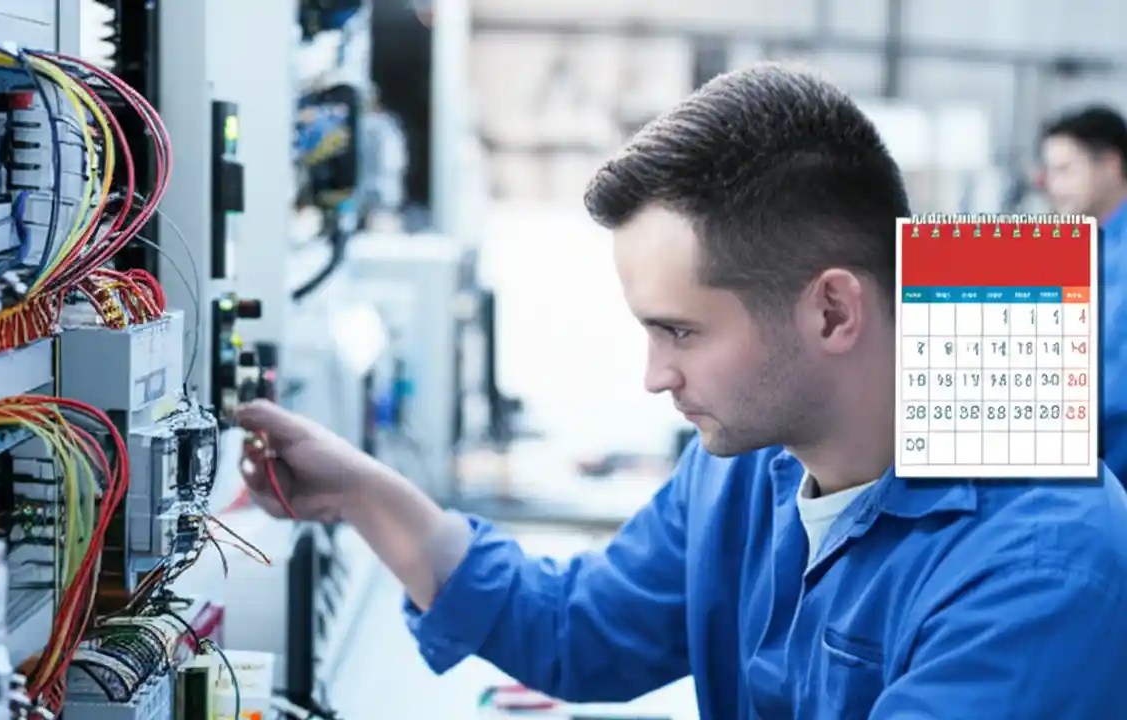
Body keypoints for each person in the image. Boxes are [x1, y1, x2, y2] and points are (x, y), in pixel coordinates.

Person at [237, 64, 1127, 718]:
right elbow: (577, 627)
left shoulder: (1045, 566)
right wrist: (360, 492)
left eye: (681, 331)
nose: (656, 376)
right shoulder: (754, 464)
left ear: (831, 311)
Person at [1039, 105, 1127, 482]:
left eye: (1065, 170)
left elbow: (1114, 393)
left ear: (1110, 166)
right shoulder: (1089, 244)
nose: (1054, 187)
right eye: (1050, 173)